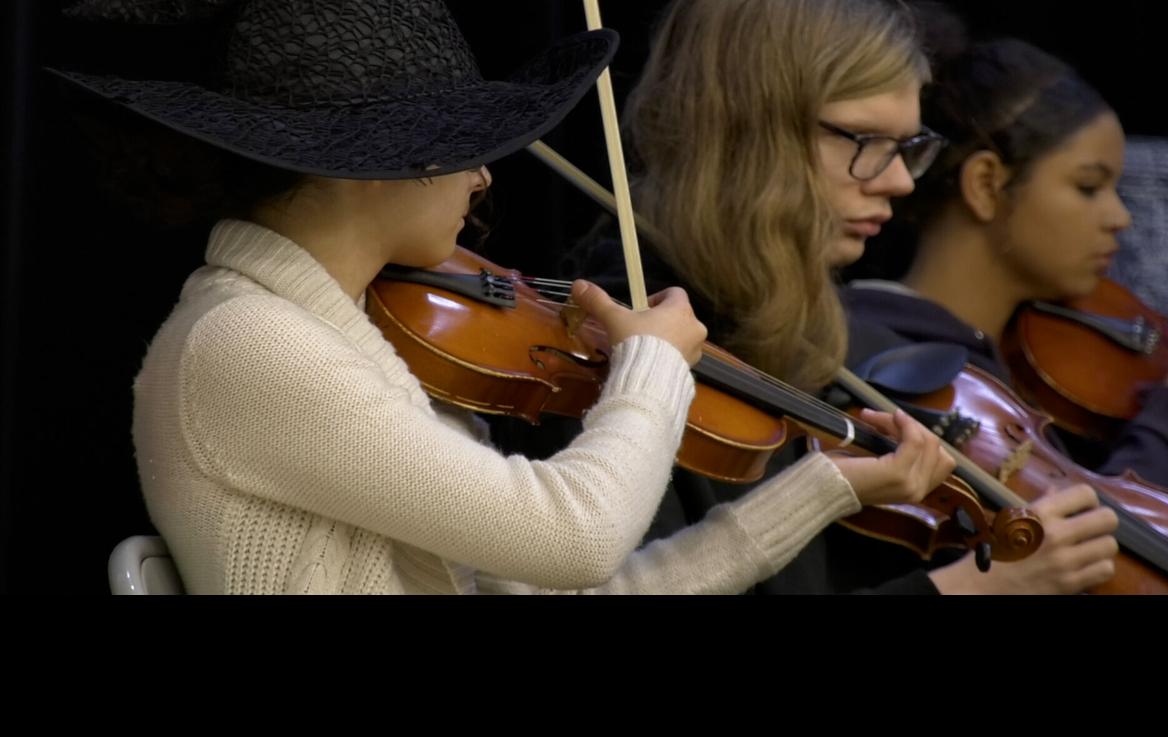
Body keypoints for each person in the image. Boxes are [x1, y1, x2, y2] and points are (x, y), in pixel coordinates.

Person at [53, 0, 951, 594]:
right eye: (464, 147)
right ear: (383, 168)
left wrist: (823, 487)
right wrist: (651, 364)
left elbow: (587, 584)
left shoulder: (334, 335)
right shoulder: (246, 341)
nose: (484, 176)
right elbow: (573, 539)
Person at [497, 0, 1120, 595]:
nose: (901, 180)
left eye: (909, 145)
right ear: (753, 133)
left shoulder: (815, 333)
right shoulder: (605, 346)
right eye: (867, 141)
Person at [841, 33, 1168, 501]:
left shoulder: (1020, 358)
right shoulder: (891, 363)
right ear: (986, 185)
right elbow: (1071, 552)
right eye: (1088, 187)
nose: (1120, 217)